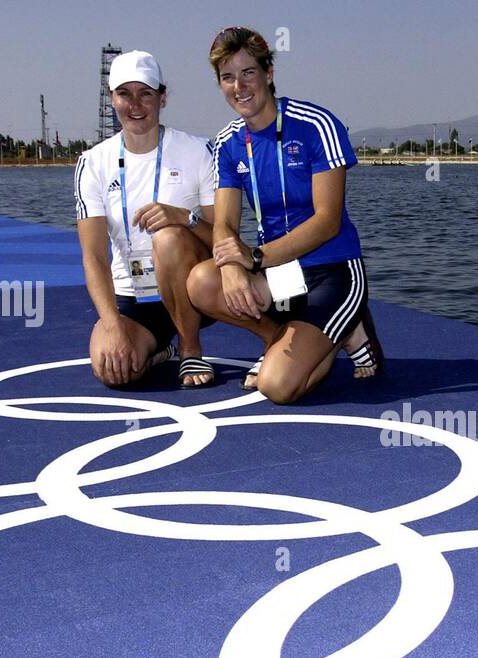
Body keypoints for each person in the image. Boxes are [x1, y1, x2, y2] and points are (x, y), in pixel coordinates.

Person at [186, 26, 382, 403]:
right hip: (281, 275)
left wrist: (255, 258)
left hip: (332, 270)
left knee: (275, 387)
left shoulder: (315, 125)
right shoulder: (228, 143)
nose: (239, 87)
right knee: (201, 283)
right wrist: (230, 268)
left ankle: (347, 325)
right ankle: (292, 339)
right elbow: (225, 223)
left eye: (248, 73)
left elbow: (328, 222)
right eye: (227, 77)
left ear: (268, 73)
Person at [75, 50, 220, 388]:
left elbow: (222, 241)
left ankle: (189, 347)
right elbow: (94, 256)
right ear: (112, 99)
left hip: (196, 292)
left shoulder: (198, 151)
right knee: (112, 369)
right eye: (124, 94)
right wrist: (111, 324)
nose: (135, 105)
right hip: (134, 298)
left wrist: (184, 218)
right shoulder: (94, 163)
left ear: (163, 98)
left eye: (146, 94)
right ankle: (161, 350)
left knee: (167, 237)